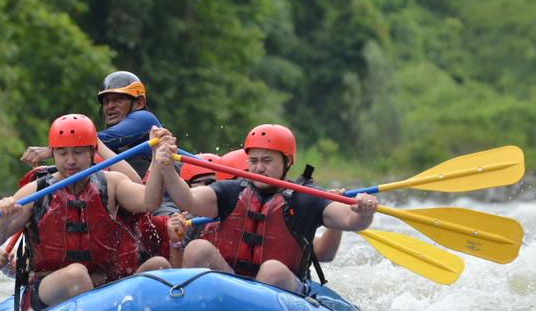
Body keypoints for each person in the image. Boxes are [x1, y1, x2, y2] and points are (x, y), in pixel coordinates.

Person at [146, 124, 379, 294]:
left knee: (272, 270)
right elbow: (187, 200)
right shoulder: (232, 190)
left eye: (267, 161)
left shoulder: (306, 198)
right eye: (254, 160)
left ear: (287, 162)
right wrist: (166, 169)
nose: (258, 168)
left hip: (282, 289)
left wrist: (363, 211)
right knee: (197, 248)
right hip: (231, 281)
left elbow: (350, 221)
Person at [0, 114, 173, 311]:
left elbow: (149, 202)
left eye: (78, 152)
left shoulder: (112, 183)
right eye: (63, 153)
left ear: (92, 151)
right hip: (51, 289)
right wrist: (2, 218)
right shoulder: (35, 191)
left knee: (158, 266)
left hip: (107, 287)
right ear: (53, 154)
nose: (70, 161)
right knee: (76, 275)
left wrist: (158, 161)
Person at [21, 71, 162, 178]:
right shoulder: (104, 146)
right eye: (106, 102)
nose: (110, 106)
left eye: (118, 100)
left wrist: (52, 149)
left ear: (139, 103)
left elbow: (104, 138)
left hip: (163, 204)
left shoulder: (145, 119)